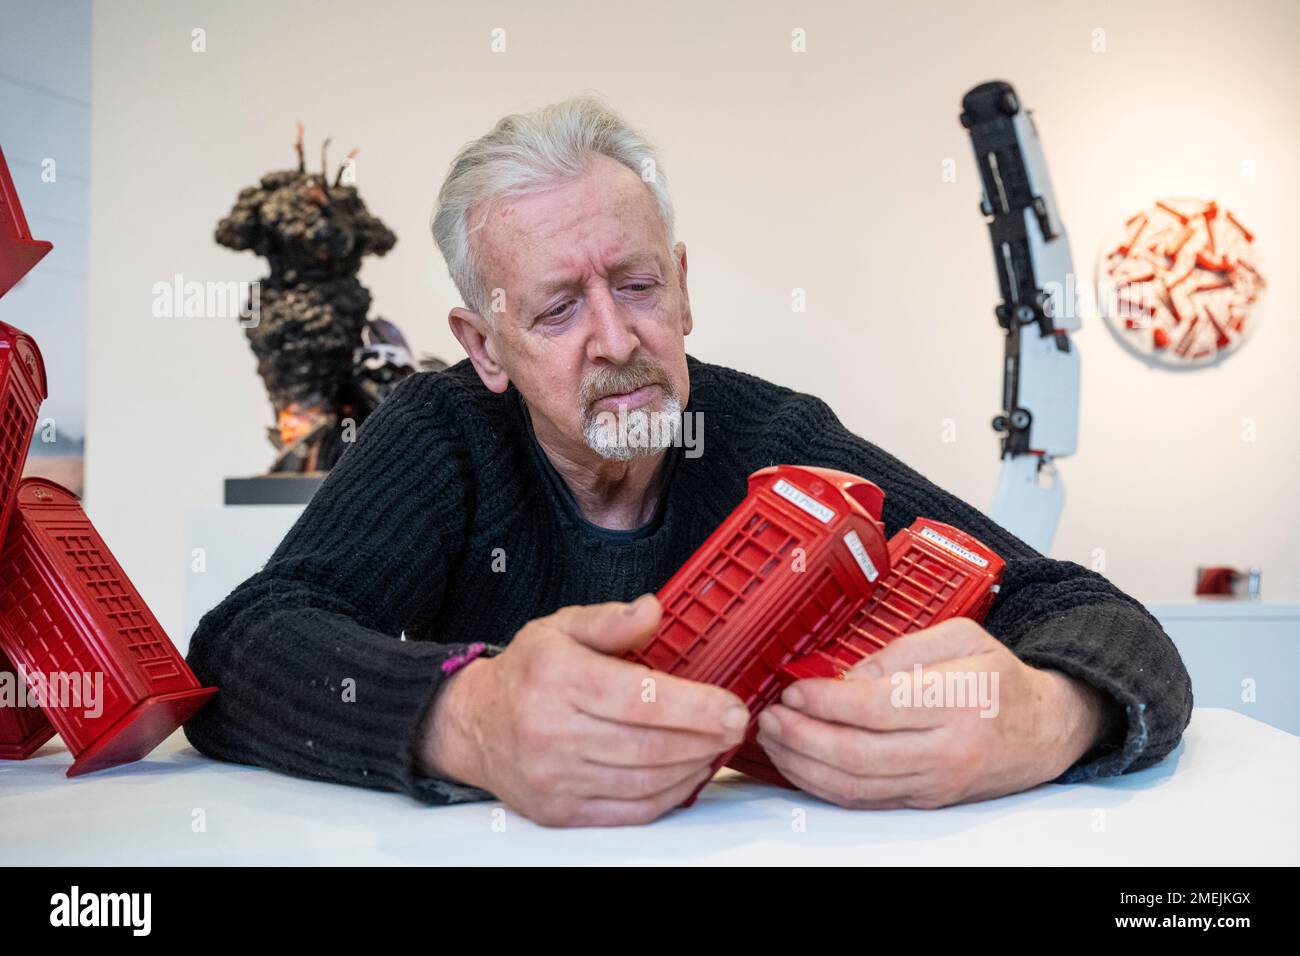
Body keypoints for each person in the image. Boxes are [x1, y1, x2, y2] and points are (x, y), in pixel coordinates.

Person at [185, 95, 1192, 827]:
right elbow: (243, 646)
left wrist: (1049, 713)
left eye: (636, 283)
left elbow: (1094, 614)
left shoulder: (771, 438)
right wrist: (468, 716)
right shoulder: (443, 431)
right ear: (485, 346)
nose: (617, 337)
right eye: (556, 308)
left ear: (683, 289)